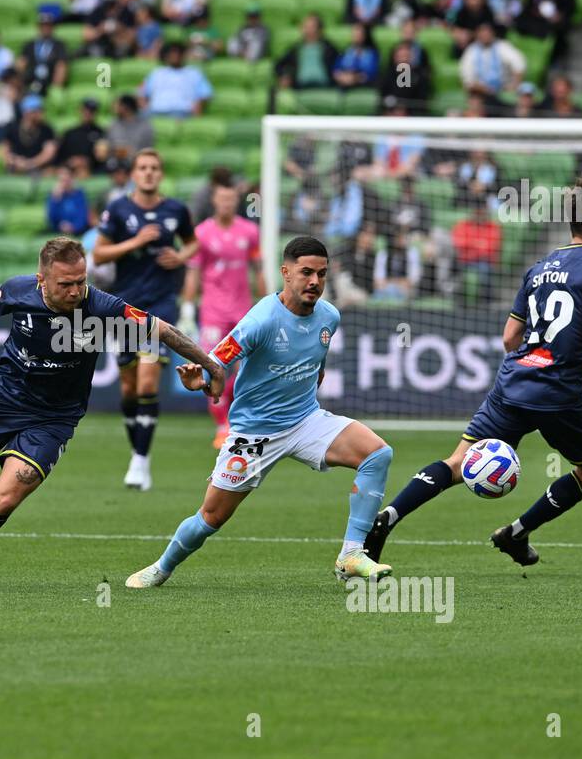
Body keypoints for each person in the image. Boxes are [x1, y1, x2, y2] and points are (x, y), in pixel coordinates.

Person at [0, 236, 222, 588]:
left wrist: (210, 366)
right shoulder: (19, 291)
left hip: (54, 418)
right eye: (65, 284)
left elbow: (162, 330)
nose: (75, 291)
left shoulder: (102, 306)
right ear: (42, 280)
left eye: (81, 281)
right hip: (2, 400)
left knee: (8, 495)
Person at [366, 177, 582, 568]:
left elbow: (509, 336)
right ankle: (516, 532)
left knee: (456, 463)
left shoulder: (538, 267)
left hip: (513, 383)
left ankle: (387, 518)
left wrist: (531, 360)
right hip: (557, 393)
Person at [126, 235, 396, 588]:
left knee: (378, 454)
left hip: (304, 420)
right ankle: (161, 567)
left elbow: (318, 364)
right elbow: (217, 360)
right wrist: (203, 382)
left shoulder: (330, 316)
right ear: (285, 272)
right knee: (212, 516)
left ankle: (351, 554)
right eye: (306, 273)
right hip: (254, 432)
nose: (314, 281)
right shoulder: (261, 321)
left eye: (322, 274)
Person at [92, 148, 196, 491]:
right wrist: (135, 242)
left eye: (154, 167)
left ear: (160, 173)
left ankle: (141, 461)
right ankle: (136, 452)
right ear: (134, 174)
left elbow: (193, 244)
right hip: (124, 306)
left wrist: (179, 257)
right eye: (143, 168)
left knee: (149, 383)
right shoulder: (120, 209)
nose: (149, 173)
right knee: (130, 387)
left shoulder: (175, 210)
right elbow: (99, 252)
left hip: (160, 308)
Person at [180, 181, 265, 448]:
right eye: (222, 199)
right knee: (211, 367)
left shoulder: (250, 231)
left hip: (243, 313)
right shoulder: (202, 233)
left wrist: (264, 304)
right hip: (213, 312)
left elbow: (258, 270)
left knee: (245, 370)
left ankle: (233, 418)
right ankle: (221, 424)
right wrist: (187, 307)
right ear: (214, 201)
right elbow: (193, 272)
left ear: (236, 201)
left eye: (231, 199)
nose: (227, 204)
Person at [139, 41, 212, 118]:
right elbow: (141, 93)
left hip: (181, 112)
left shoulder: (194, 73)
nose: (175, 56)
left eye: (178, 53)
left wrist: (196, 114)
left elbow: (204, 95)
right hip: (155, 111)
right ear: (166, 56)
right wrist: (145, 108)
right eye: (172, 53)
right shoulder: (156, 73)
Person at [274, 13, 337, 91]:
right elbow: (279, 64)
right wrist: (285, 76)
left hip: (325, 86)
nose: (307, 29)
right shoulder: (296, 48)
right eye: (305, 26)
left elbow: (340, 64)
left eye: (311, 26)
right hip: (300, 87)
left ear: (319, 29)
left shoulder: (329, 48)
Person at [0, 95, 57, 174]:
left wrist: (30, 164)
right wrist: (13, 161)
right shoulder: (12, 128)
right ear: (27, 113)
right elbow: (4, 150)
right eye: (37, 110)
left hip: (38, 168)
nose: (40, 114)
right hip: (16, 166)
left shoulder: (47, 130)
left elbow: (49, 152)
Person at [16, 12, 69, 96]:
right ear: (39, 27)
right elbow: (21, 64)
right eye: (43, 25)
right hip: (30, 82)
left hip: (49, 83)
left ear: (52, 27)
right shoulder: (29, 44)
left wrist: (55, 87)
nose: (45, 28)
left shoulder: (59, 45)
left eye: (48, 25)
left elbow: (61, 66)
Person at [99, 93, 154, 164]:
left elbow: (146, 150)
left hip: (136, 164)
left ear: (125, 107)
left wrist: (126, 151)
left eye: (117, 104)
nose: (113, 107)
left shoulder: (145, 127)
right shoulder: (112, 125)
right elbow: (105, 148)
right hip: (113, 164)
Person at [56, 98, 105, 176]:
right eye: (86, 110)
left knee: (82, 172)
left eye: (92, 111)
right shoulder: (70, 133)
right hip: (69, 169)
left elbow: (101, 159)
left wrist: (86, 161)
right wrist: (70, 161)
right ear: (80, 110)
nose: (88, 113)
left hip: (91, 170)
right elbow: (60, 156)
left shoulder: (101, 133)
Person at [332, 23, 380, 88]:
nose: (356, 36)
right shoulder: (346, 51)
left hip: (364, 84)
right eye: (354, 33)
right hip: (344, 81)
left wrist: (355, 78)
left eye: (359, 34)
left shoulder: (372, 53)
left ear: (365, 35)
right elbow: (336, 68)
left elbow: (372, 73)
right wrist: (341, 76)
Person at [46, 167, 90, 235]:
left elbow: (82, 216)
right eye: (61, 180)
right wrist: (55, 200)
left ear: (72, 179)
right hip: (58, 232)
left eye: (66, 180)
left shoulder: (79, 194)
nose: (64, 183)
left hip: (77, 231)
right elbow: (52, 219)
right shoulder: (54, 196)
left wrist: (74, 227)